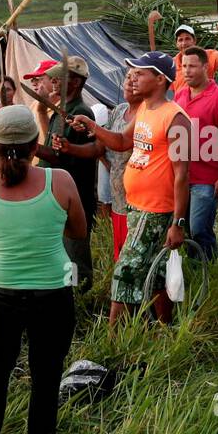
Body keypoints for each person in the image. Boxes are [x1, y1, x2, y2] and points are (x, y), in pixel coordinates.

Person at [0, 106, 87, 434]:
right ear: (36, 145)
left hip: (3, 291)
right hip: (54, 289)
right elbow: (78, 231)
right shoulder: (59, 180)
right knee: (47, 368)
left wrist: (2, 233)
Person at [71, 52, 189, 324]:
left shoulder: (176, 119)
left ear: (160, 79)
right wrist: (92, 126)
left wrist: (178, 223)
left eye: (140, 73)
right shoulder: (147, 108)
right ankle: (163, 326)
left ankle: (115, 337)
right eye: (132, 73)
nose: (132, 79)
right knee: (157, 270)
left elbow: (183, 175)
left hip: (156, 210)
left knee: (125, 270)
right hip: (136, 205)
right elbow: (123, 141)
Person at [35, 57, 102, 291]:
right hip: (57, 196)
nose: (53, 81)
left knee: (75, 252)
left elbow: (60, 157)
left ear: (75, 82)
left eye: (59, 77)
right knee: (62, 250)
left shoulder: (80, 113)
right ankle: (68, 294)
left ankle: (81, 296)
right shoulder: (61, 112)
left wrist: (25, 145)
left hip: (74, 197)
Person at [174, 46, 218, 260]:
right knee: (187, 229)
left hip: (207, 179)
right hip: (182, 177)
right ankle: (194, 269)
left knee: (200, 228)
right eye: (184, 66)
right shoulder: (180, 95)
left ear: (205, 67)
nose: (187, 71)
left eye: (192, 66)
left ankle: (208, 267)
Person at [104, 71, 139, 261]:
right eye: (127, 77)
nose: (129, 82)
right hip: (117, 195)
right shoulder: (119, 110)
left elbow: (120, 141)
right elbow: (101, 146)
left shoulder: (146, 114)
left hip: (137, 200)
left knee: (133, 256)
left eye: (136, 78)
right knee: (120, 253)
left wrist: (93, 126)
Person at [170, 23, 218, 98]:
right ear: (176, 43)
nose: (184, 43)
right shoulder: (171, 63)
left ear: (194, 40)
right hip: (182, 107)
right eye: (180, 40)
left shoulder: (207, 55)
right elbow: (170, 93)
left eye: (187, 39)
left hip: (205, 105)